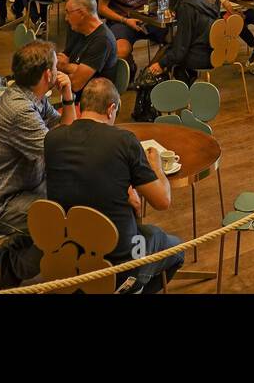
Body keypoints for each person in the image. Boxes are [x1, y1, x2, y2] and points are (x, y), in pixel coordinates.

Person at [44, 78, 183, 293]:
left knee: (146, 232)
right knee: (172, 247)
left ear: (82, 107)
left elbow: (86, 175)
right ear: (111, 109)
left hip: (67, 252)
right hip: (119, 261)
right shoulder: (124, 141)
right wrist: (157, 167)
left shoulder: (52, 139)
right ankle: (130, 288)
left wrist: (123, 187)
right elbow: (163, 201)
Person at [0, 40, 75, 288]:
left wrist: (67, 98)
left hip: (17, 189)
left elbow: (64, 134)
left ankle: (14, 247)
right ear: (48, 74)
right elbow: (63, 153)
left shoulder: (26, 95)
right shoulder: (20, 111)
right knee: (64, 218)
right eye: (57, 66)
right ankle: (14, 264)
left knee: (71, 198)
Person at [152, 0, 218, 84]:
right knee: (169, 52)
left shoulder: (185, 7)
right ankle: (191, 83)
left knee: (171, 59)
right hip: (214, 49)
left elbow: (181, 48)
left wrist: (161, 63)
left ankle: (187, 92)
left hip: (204, 54)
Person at [55, 0, 118, 97]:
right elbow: (60, 59)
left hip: (92, 101)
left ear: (81, 13)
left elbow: (75, 84)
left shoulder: (102, 40)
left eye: (68, 12)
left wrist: (66, 66)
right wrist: (74, 68)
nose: (66, 18)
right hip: (71, 94)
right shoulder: (78, 29)